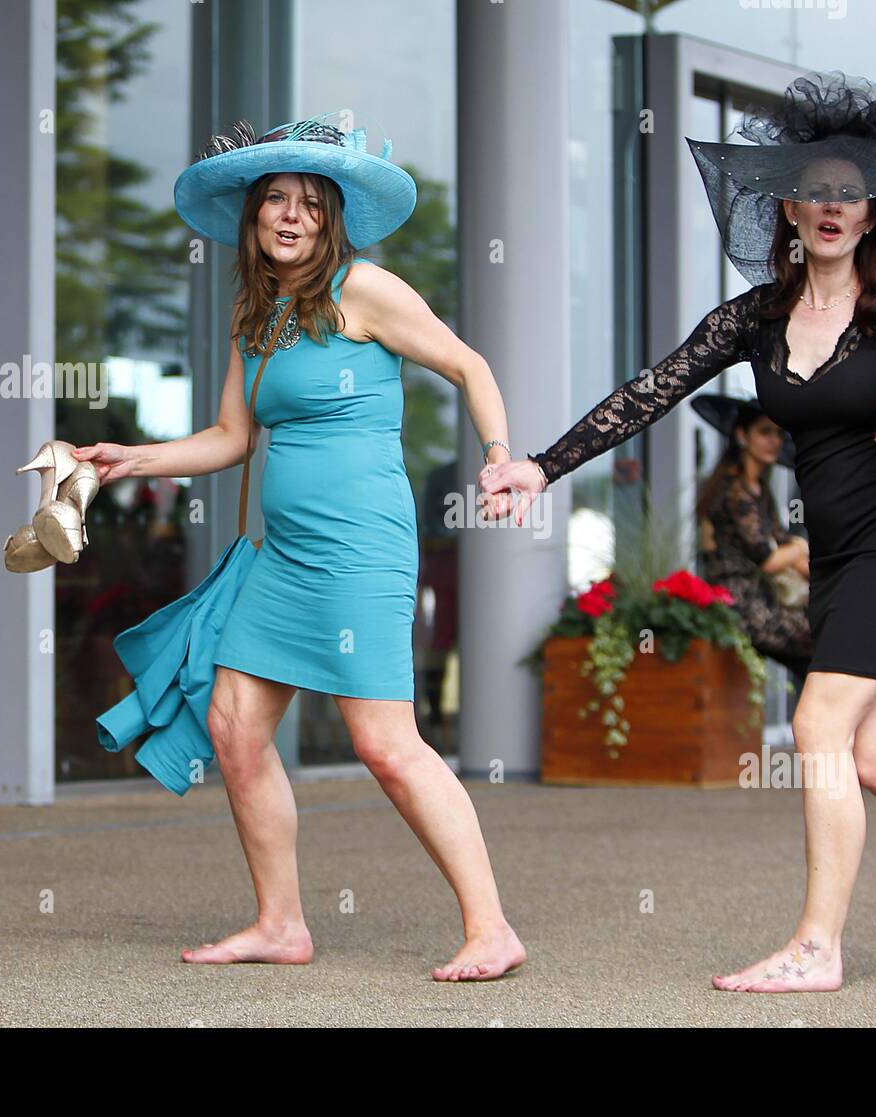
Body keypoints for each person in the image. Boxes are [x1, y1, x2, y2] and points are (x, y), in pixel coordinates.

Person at [481, 72, 876, 993]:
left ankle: (816, 946)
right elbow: (653, 389)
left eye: (850, 193)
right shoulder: (755, 318)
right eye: (816, 191)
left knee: (816, 725)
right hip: (835, 561)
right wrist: (540, 467)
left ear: (872, 213)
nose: (833, 207)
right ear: (788, 207)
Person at [74, 115, 525, 981]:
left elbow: (470, 366)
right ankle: (280, 922)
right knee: (235, 725)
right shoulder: (256, 313)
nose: (288, 216)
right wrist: (134, 458)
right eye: (274, 200)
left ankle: (491, 926)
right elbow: (232, 436)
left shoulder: (367, 290)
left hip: (361, 546)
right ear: (252, 217)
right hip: (283, 555)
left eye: (308, 205)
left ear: (330, 221)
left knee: (387, 745)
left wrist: (500, 457)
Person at [694, 393, 876, 778]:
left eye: (777, 434)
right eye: (763, 433)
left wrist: (798, 553)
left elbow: (779, 552)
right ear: (741, 436)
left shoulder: (758, 489)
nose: (774, 441)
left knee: (845, 651)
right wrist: (796, 551)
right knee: (841, 649)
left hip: (769, 599)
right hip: (745, 605)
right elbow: (769, 558)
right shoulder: (734, 490)